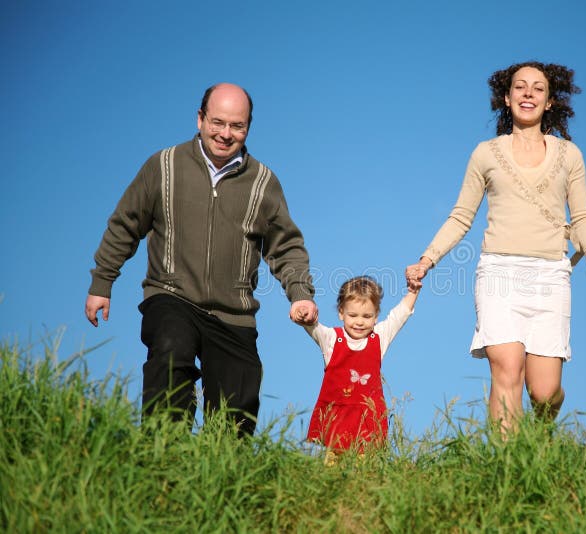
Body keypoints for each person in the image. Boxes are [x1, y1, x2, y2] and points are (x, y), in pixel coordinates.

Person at [84, 83, 318, 436]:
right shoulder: (164, 166)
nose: (225, 134)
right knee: (170, 354)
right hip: (171, 295)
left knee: (237, 414)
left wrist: (300, 292)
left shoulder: (262, 183)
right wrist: (103, 281)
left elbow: (286, 246)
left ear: (248, 128)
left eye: (236, 126)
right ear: (200, 119)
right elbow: (125, 224)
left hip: (234, 313)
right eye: (217, 122)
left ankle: (221, 479)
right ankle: (164, 458)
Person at [406, 61, 586, 434]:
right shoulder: (485, 153)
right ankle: (508, 471)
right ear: (506, 97)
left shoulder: (570, 156)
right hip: (499, 272)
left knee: (545, 393)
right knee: (506, 369)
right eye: (520, 87)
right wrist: (427, 259)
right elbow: (460, 216)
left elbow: (581, 215)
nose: (528, 93)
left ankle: (539, 439)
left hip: (550, 274)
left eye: (538, 88)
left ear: (550, 102)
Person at [294, 276, 418, 463]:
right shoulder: (331, 339)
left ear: (376, 316)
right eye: (353, 315)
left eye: (367, 316)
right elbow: (311, 324)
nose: (359, 322)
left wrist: (413, 291)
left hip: (368, 418)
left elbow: (399, 316)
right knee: (333, 466)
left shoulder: (379, 338)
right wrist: (302, 314)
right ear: (341, 313)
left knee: (365, 467)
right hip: (338, 417)